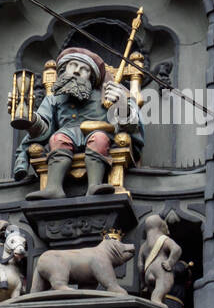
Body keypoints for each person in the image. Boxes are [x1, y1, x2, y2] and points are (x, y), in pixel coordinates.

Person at [14, 47, 140, 199]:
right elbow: (43, 128)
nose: (76, 71)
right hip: (66, 134)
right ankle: (54, 188)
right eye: (72, 65)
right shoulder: (54, 98)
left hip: (97, 132)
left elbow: (130, 125)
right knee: (57, 138)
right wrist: (31, 119)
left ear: (92, 77)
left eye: (84, 69)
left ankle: (95, 185)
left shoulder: (105, 94)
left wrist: (121, 103)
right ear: (63, 69)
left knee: (99, 139)